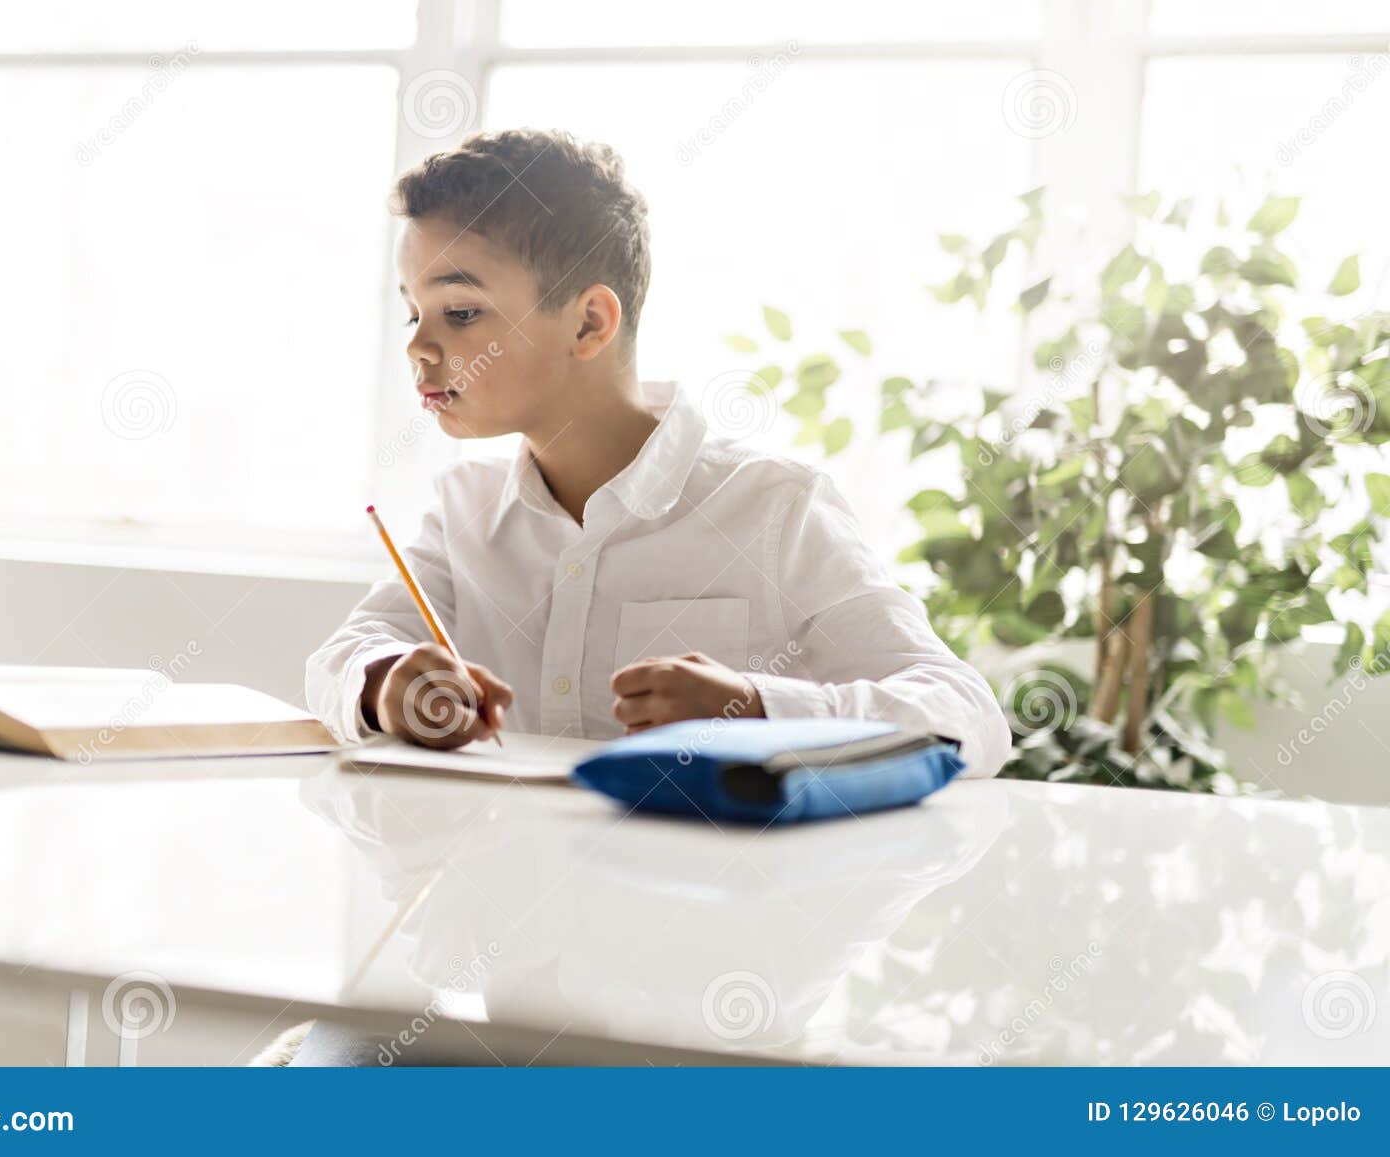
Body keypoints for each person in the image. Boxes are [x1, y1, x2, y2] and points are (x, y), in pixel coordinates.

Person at [306, 129, 1011, 778]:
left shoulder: (775, 508)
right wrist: (383, 680)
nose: (418, 347)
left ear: (588, 322)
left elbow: (965, 712)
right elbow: (343, 655)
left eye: (460, 313)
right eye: (412, 311)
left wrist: (757, 708)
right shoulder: (465, 510)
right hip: (502, 897)